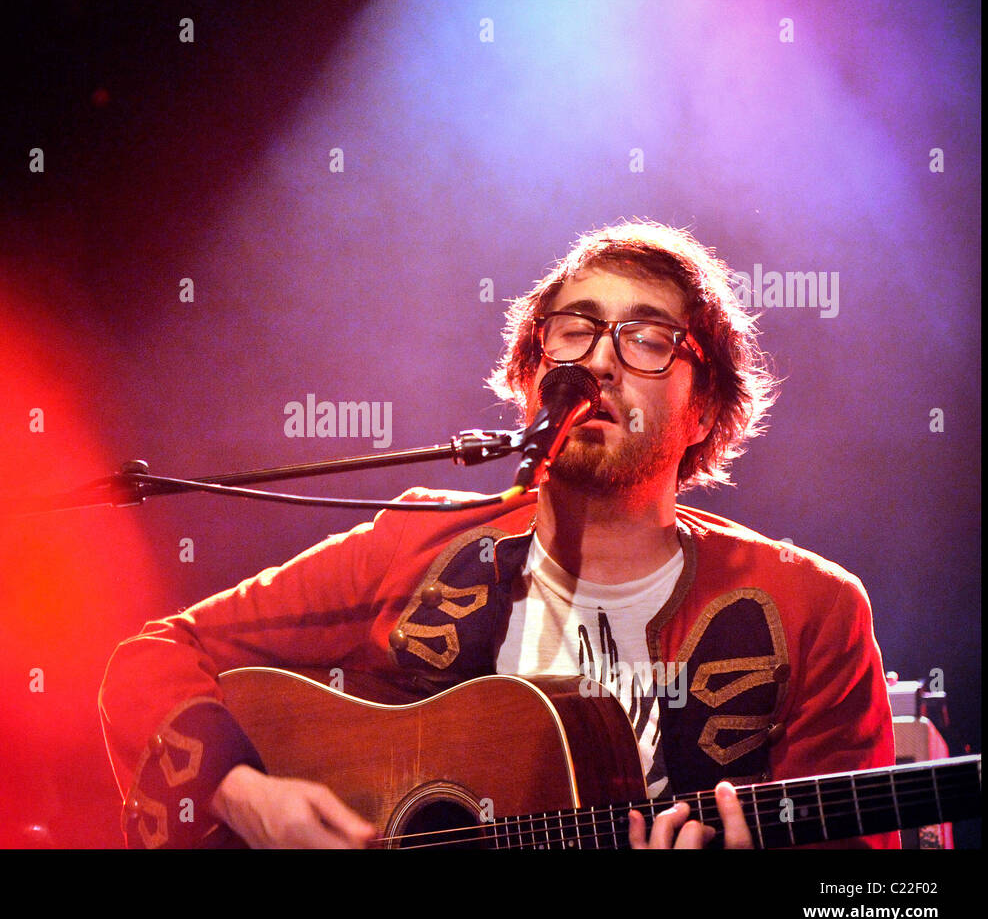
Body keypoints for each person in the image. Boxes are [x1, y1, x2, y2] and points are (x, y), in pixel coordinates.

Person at [98, 220, 898, 849]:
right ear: (533, 376)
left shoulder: (809, 610)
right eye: (574, 331)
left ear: (703, 412)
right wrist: (252, 796)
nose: (600, 364)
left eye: (648, 339)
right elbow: (150, 662)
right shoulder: (415, 545)